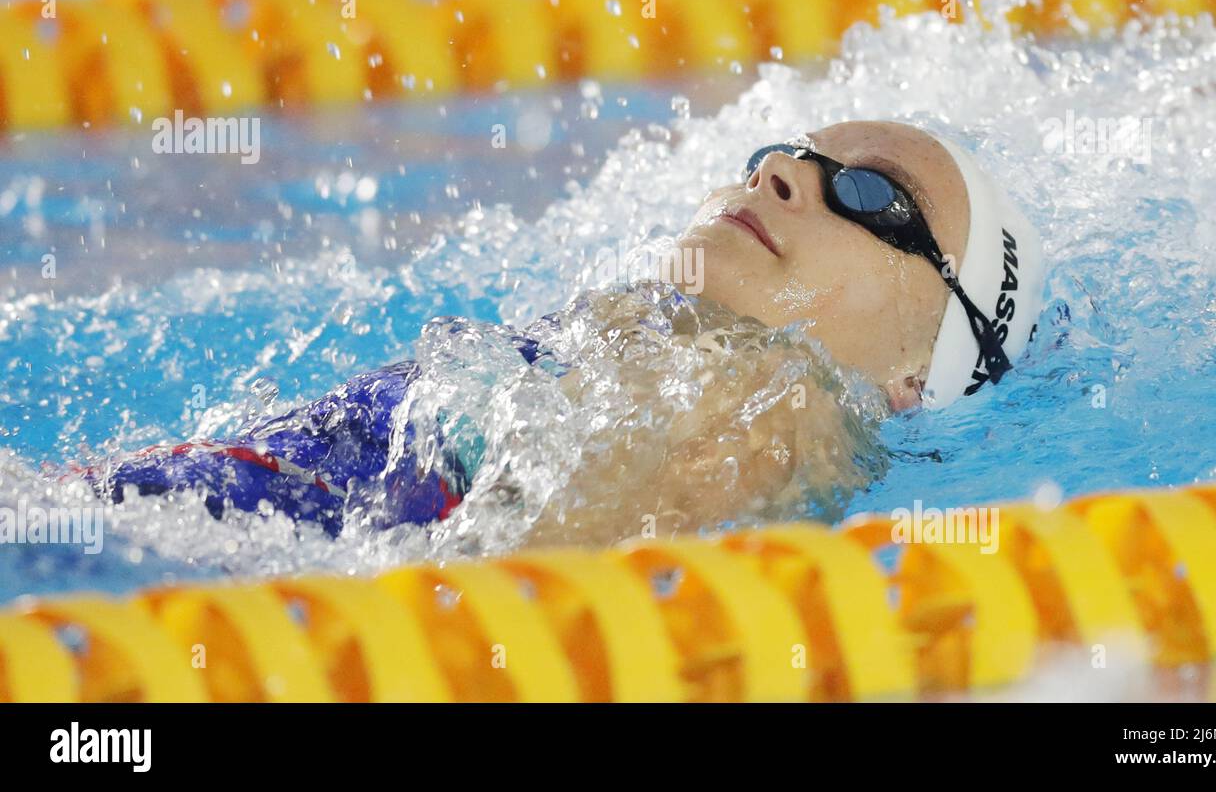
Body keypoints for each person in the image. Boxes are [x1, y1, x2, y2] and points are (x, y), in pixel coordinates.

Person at [81, 121, 1045, 547]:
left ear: (918, 377)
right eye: (784, 153)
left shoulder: (780, 413)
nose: (782, 175)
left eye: (872, 195)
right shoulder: (627, 349)